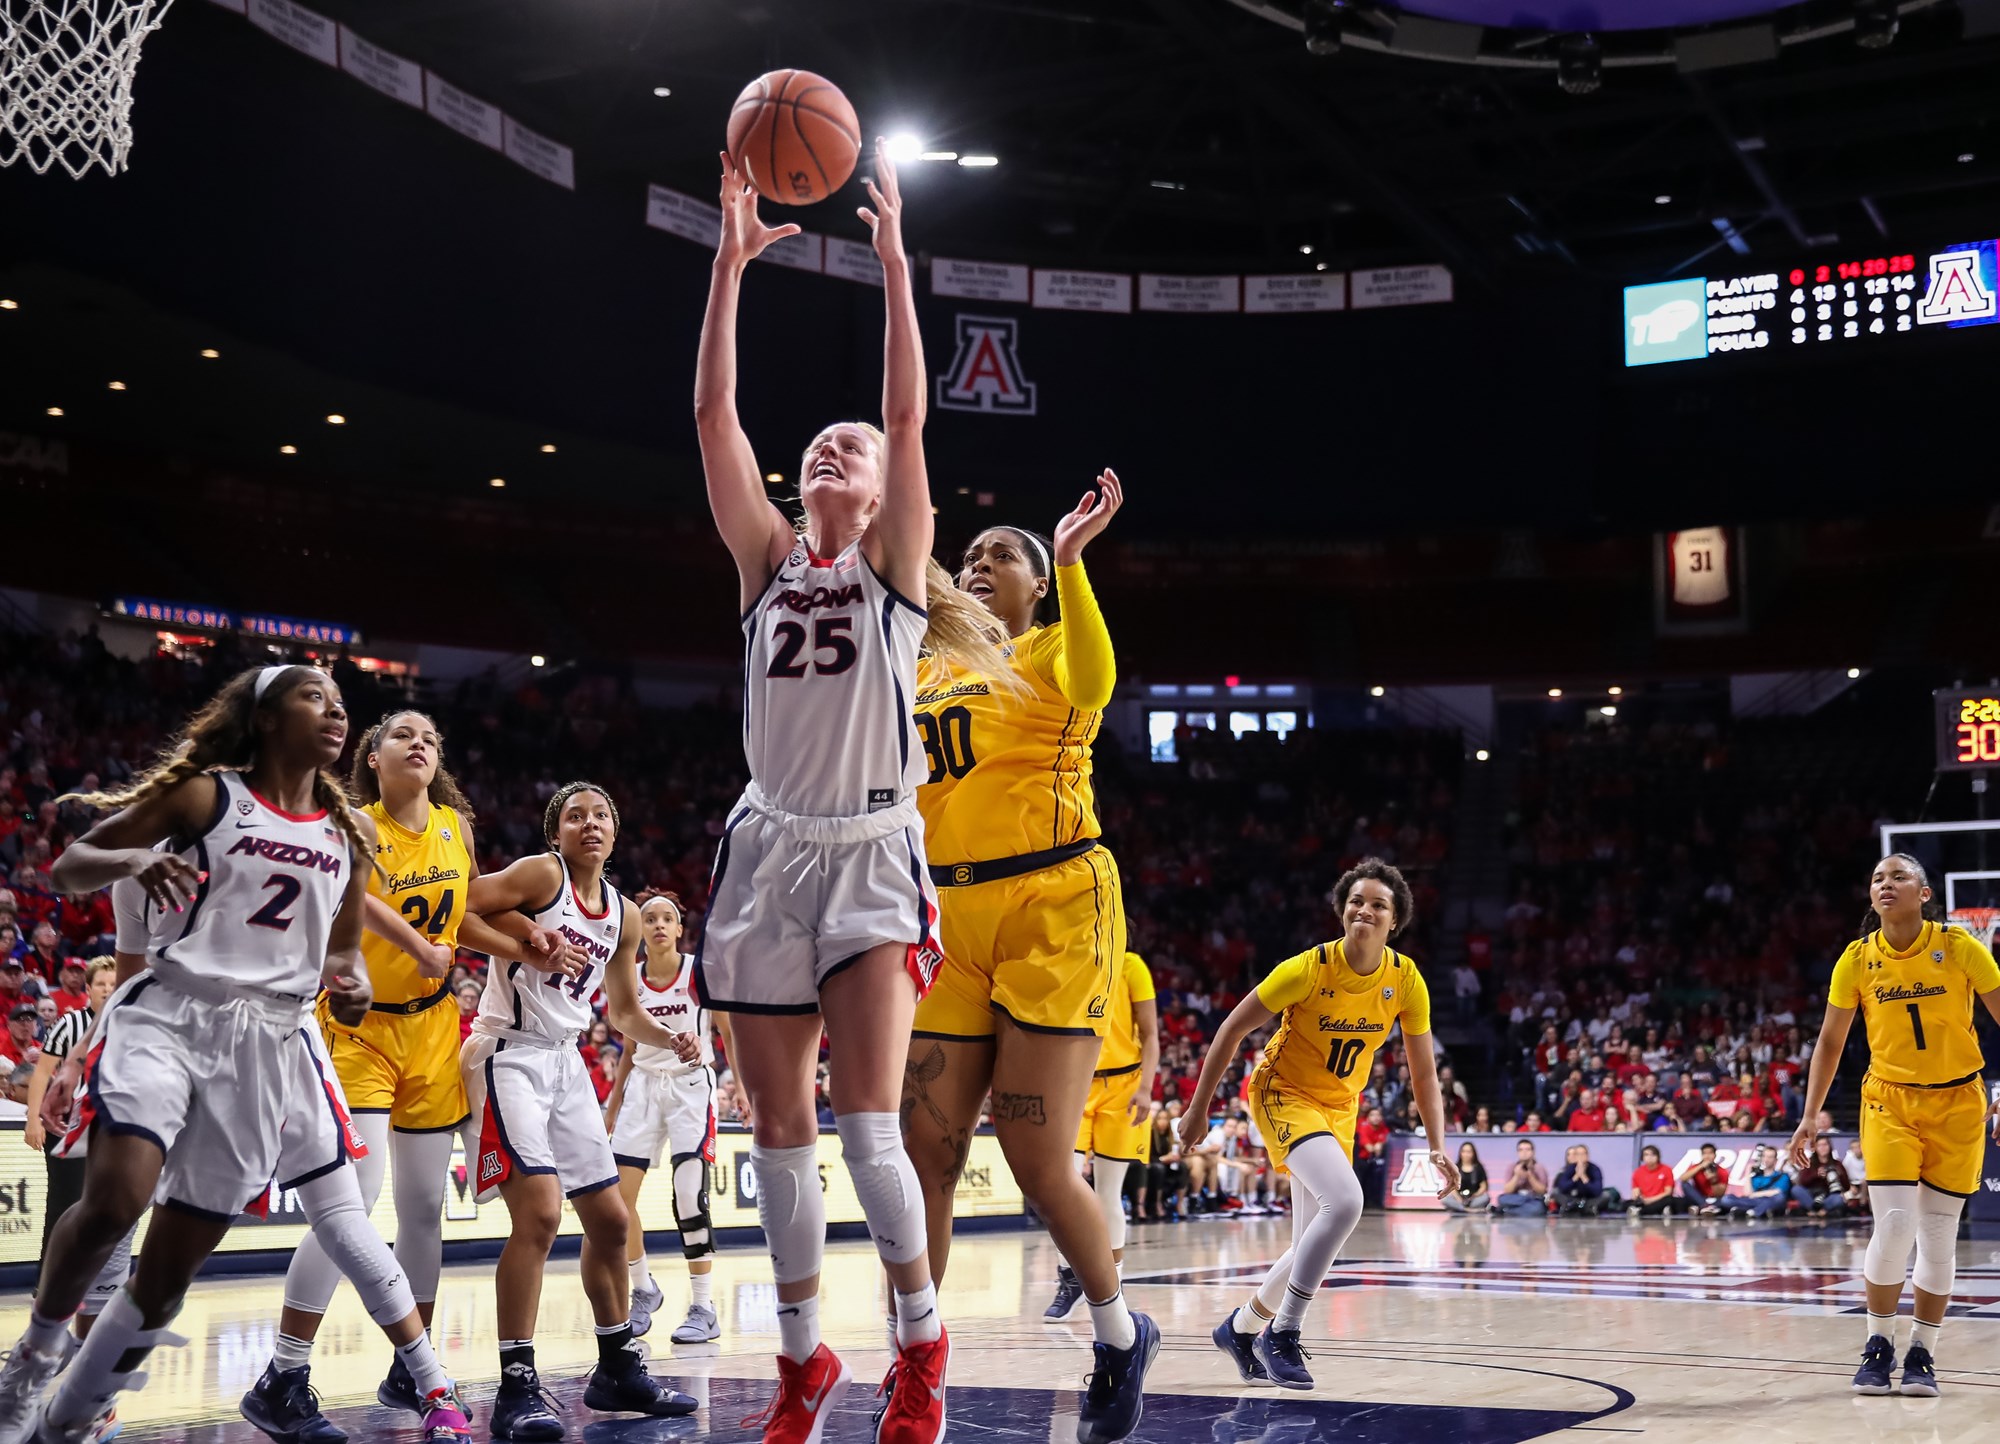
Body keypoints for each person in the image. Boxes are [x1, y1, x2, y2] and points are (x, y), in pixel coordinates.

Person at [693, 140, 1016, 1444]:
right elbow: (714, 417)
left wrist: (893, 267)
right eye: (817, 441)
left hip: (876, 853)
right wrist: (728, 268)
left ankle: (921, 1350)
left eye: (853, 444)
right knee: (778, 1132)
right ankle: (796, 1363)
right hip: (771, 851)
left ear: (883, 498)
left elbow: (905, 416)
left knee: (867, 1131)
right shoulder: (765, 561)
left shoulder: (890, 571)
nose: (836, 442)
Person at [0, 665, 472, 1444]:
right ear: (262, 718)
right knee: (115, 1202)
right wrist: (132, 860)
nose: (334, 711)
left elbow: (341, 962)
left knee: (166, 1280)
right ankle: (33, 1359)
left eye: (340, 703)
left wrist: (349, 990)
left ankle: (68, 1419)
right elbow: (69, 866)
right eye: (313, 696)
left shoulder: (347, 838)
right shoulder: (204, 796)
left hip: (269, 1042)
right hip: (173, 1017)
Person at [895, 477, 1160, 1430]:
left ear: (1037, 584)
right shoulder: (924, 666)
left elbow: (1097, 685)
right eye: (969, 556)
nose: (977, 564)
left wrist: (1076, 555)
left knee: (1037, 1158)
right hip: (946, 915)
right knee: (923, 1149)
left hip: (1054, 899)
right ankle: (916, 1356)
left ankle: (1120, 1335)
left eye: (1000, 555)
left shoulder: (1052, 648)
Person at [260, 708, 545, 1425]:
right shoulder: (352, 826)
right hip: (358, 1031)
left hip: (432, 1029)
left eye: (429, 738)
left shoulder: (454, 828)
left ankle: (405, 1370)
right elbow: (337, 919)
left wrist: (522, 942)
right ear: (373, 758)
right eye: (401, 735)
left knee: (422, 1207)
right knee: (351, 1199)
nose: (418, 744)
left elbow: (460, 920)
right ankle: (285, 1371)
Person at [461, 783, 701, 1438]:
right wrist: (527, 940)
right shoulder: (542, 875)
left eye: (600, 814)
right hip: (507, 1053)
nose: (589, 823)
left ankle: (618, 1365)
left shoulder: (623, 915)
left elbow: (623, 1011)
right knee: (538, 1214)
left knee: (611, 1221)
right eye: (575, 815)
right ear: (556, 833)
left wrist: (669, 1036)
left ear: (615, 832)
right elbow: (455, 910)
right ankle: (516, 1386)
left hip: (565, 1062)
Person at [1179, 858, 1456, 1390]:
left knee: (1311, 1240)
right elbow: (1232, 1029)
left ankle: (1240, 1328)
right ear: (1341, 910)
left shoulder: (1406, 979)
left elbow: (1424, 1074)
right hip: (1282, 1094)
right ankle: (1283, 1331)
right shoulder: (1307, 968)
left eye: (1379, 904)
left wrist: (1437, 1145)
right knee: (1347, 1204)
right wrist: (1198, 1109)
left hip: (1338, 1107)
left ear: (1394, 921)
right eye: (1357, 900)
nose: (1366, 910)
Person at [1790, 853, 2000, 1398]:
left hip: (1959, 1101)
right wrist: (1811, 1114)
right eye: (1878, 878)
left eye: (1898, 876)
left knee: (1937, 1237)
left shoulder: (1959, 948)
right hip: (1889, 1101)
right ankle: (1878, 1343)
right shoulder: (1857, 959)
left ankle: (1922, 1352)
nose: (1886, 884)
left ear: (1924, 893)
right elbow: (1831, 1042)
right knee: (1897, 1224)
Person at [602, 891, 733, 1345]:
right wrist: (613, 1105)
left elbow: (726, 1029)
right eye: (650, 918)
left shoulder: (699, 971)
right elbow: (629, 1048)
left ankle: (703, 1306)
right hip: (642, 1087)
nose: (658, 925)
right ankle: (643, 1290)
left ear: (680, 929)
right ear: (640, 930)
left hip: (691, 1088)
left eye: (667, 919)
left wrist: (743, 1088)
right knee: (618, 1204)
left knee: (688, 1197)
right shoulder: (629, 977)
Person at [1048, 950, 1158, 1320]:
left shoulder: (1131, 966)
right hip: (1076, 1083)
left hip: (1124, 1088)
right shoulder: (1075, 961)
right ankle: (1069, 1277)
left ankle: (1115, 1283)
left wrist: (1146, 1088)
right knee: (1061, 1183)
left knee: (1108, 1192)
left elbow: (1152, 1033)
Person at [1790, 1135, 1851, 1218]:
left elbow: (1847, 1187)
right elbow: (1802, 1182)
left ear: (1830, 1146)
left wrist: (1840, 1175)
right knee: (1796, 1189)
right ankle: (1817, 1210)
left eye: (1825, 1145)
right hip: (1811, 1195)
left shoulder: (1837, 1164)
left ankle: (1815, 1211)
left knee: (1838, 1199)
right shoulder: (1809, 1163)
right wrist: (1816, 1175)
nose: (1823, 1148)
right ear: (1815, 1148)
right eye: (1819, 1145)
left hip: (1828, 1196)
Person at [1553, 1144, 1614, 1215]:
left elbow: (1597, 1190)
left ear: (1587, 1156)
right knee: (1555, 1192)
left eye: (1583, 1154)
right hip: (1573, 1199)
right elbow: (1562, 1187)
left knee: (1606, 1195)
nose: (1581, 1157)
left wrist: (1584, 1177)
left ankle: (1590, 1208)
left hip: (1589, 1199)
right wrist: (1575, 1177)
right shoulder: (1570, 1168)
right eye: (1578, 1154)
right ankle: (1569, 1207)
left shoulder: (1595, 1169)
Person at [1628, 1143, 1687, 1216]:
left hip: (1660, 1199)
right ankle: (1658, 1210)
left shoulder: (1666, 1170)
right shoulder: (1638, 1172)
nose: (1649, 1157)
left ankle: (1642, 1211)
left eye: (1653, 1155)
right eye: (1646, 1155)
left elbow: (1668, 1192)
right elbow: (1635, 1192)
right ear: (1642, 1158)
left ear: (1658, 1157)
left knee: (1672, 1200)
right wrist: (1639, 1198)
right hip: (1645, 1200)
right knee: (1626, 1203)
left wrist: (1651, 1200)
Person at [1495, 1138, 1551, 1215]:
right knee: (1501, 1199)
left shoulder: (1539, 1168)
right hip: (1516, 1197)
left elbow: (1542, 1191)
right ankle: (1519, 1209)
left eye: (1527, 1150)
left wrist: (1530, 1177)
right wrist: (1516, 1176)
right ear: (1517, 1152)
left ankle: (1505, 1211)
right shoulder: (1512, 1167)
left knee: (1537, 1208)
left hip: (1534, 1198)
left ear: (1533, 1152)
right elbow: (1507, 1191)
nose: (1524, 1153)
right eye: (1521, 1150)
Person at [1679, 1142, 1729, 1214]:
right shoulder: (1696, 1167)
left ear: (1715, 1155)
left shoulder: (1722, 1171)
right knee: (1685, 1185)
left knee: (1725, 1201)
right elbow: (1683, 1178)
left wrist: (1713, 1181)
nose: (1707, 1156)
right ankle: (1705, 1207)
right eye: (1705, 1154)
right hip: (1698, 1198)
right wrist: (1701, 1166)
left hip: (1714, 1199)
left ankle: (1700, 1208)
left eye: (1710, 1153)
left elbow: (1720, 1194)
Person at [1439, 1142, 1490, 1213]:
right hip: (1459, 1198)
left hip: (1474, 1198)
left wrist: (1474, 1196)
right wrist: (1459, 1199)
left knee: (1485, 1197)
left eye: (1469, 1152)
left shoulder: (1479, 1167)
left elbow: (1483, 1187)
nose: (1466, 1154)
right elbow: (1452, 1187)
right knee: (1445, 1200)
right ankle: (1467, 1210)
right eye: (1464, 1151)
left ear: (1473, 1153)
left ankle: (1462, 1209)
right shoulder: (1456, 1167)